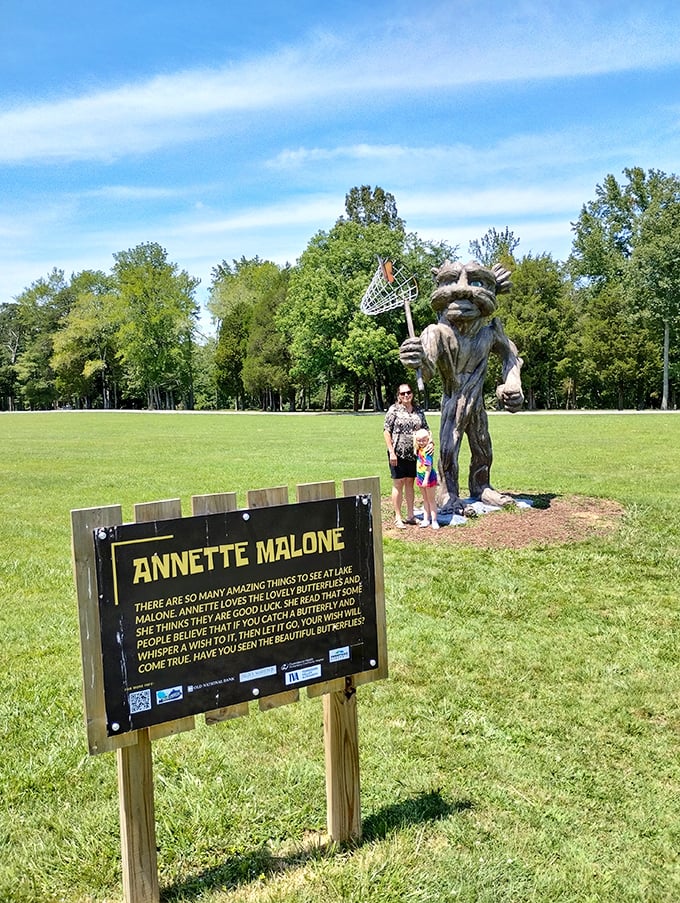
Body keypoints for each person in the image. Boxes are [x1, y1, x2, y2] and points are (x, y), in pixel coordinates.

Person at [383, 383, 429, 528]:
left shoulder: (418, 411)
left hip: (414, 454)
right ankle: (398, 516)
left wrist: (430, 443)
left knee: (410, 482)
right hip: (397, 453)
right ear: (399, 396)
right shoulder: (394, 410)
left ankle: (410, 515)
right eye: (402, 394)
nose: (406, 395)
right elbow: (386, 431)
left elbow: (426, 429)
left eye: (408, 392)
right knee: (398, 483)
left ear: (412, 394)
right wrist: (391, 452)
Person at [414, 428, 439, 529]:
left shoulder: (428, 451)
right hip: (420, 476)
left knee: (431, 500)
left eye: (424, 440)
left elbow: (428, 467)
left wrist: (425, 480)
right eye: (419, 440)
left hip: (428, 478)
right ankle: (426, 519)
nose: (421, 442)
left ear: (428, 439)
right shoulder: (418, 449)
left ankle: (434, 520)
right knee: (425, 499)